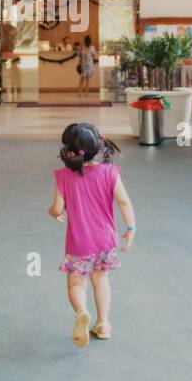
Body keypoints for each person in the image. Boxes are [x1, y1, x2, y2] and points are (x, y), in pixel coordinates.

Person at [47, 122, 136, 347]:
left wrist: (52, 212)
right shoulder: (109, 172)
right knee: (101, 280)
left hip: (79, 244)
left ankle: (82, 312)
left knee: (76, 285)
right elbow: (124, 201)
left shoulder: (64, 176)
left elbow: (57, 209)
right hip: (105, 240)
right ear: (97, 146)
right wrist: (131, 228)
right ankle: (104, 324)